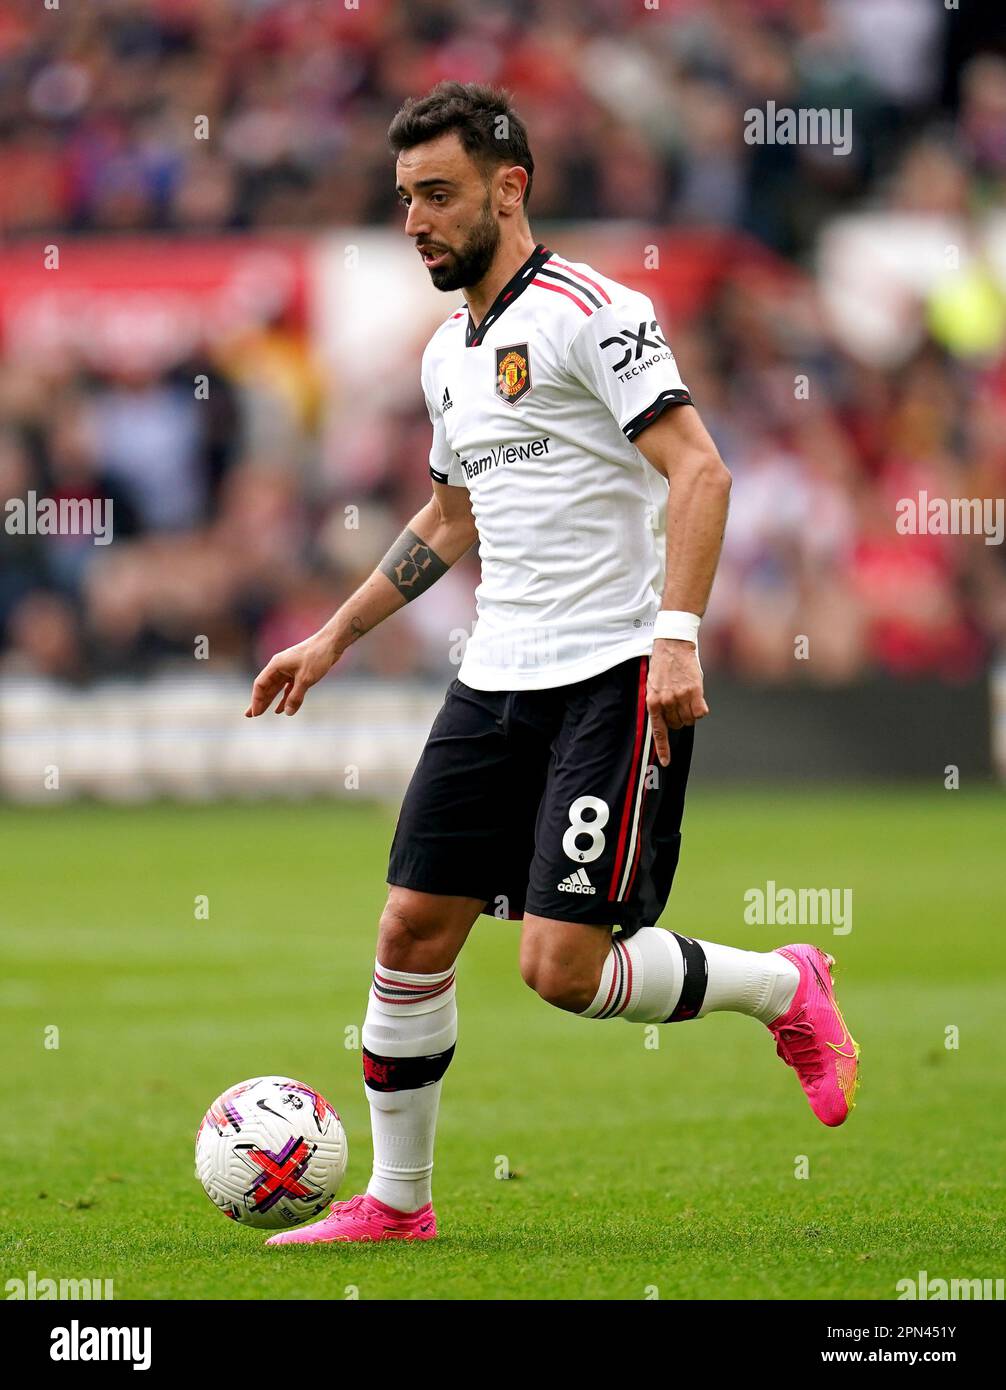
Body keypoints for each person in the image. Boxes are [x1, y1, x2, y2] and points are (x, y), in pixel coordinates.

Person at [246, 81, 860, 1246]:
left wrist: (675, 637)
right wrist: (333, 635)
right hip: (494, 677)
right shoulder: (446, 353)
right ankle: (398, 1201)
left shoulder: (594, 310)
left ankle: (786, 987)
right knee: (408, 933)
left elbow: (701, 472)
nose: (415, 221)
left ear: (508, 186)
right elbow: (449, 517)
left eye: (437, 194)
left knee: (560, 969)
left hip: (614, 673)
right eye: (403, 199)